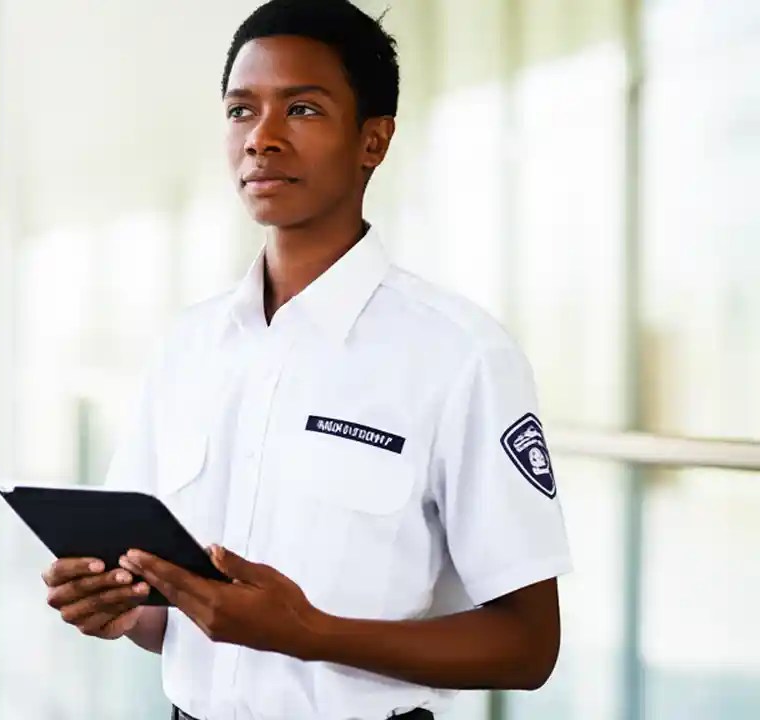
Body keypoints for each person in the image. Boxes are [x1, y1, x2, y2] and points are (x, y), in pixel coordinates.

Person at [39, 1, 572, 718]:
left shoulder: (461, 355)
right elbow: (159, 614)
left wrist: (311, 635)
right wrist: (116, 605)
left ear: (373, 141)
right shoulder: (189, 346)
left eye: (303, 110)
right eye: (239, 111)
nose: (261, 138)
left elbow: (529, 647)